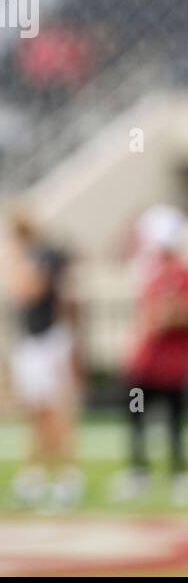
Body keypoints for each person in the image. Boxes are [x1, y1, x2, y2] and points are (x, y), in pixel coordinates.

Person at [4, 211, 83, 511]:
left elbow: (28, 291)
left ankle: (68, 476)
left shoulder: (43, 256)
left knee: (55, 410)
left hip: (49, 341)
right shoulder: (31, 256)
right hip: (31, 342)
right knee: (35, 411)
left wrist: (14, 264)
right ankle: (34, 475)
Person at [110, 205, 188, 505]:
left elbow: (168, 315)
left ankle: (178, 473)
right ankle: (138, 472)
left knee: (173, 423)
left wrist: (163, 316)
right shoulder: (152, 275)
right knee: (137, 419)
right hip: (144, 366)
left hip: (170, 366)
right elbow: (148, 317)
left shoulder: (178, 275)